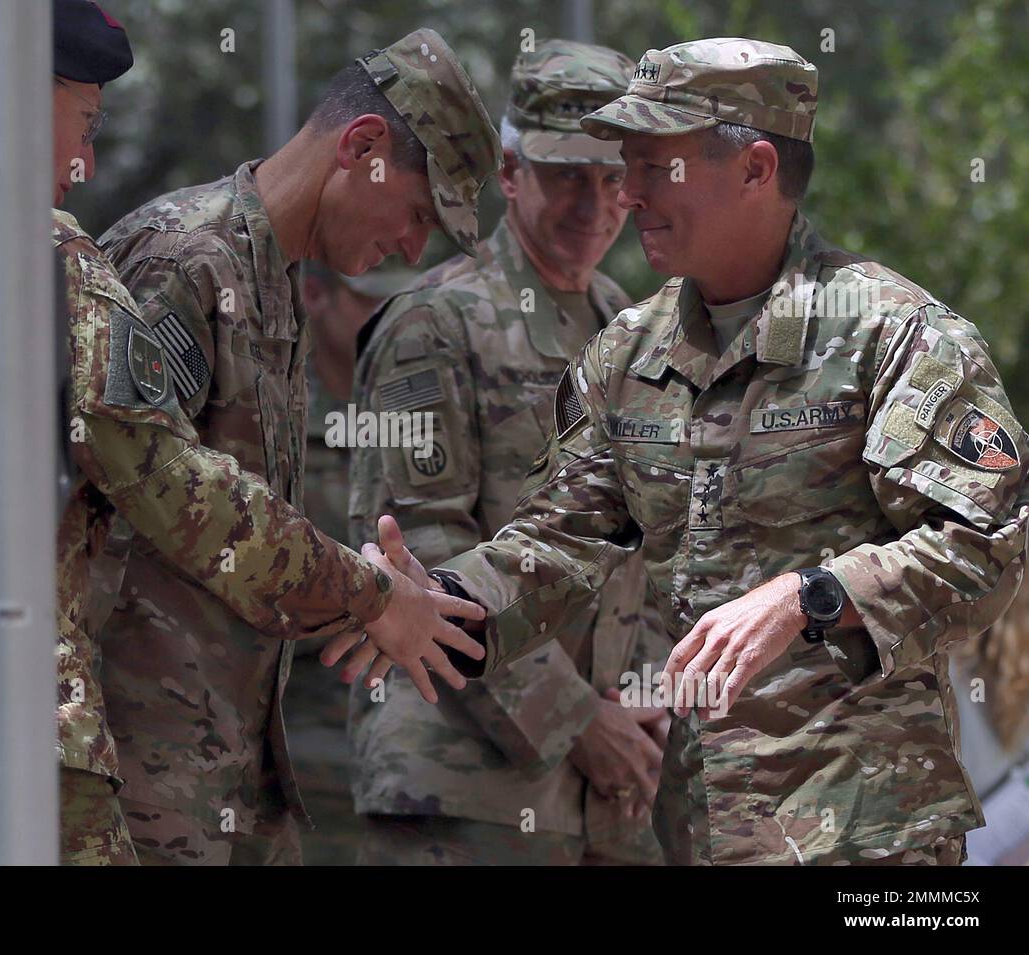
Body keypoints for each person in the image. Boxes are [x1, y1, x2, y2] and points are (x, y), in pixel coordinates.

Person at [0, 2, 484, 866]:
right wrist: (372, 595)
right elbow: (173, 488)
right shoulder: (33, 247)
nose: (85, 162)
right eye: (84, 122)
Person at [362, 37, 1029, 866]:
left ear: (754, 169)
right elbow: (560, 541)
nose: (627, 195)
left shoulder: (895, 336)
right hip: (690, 828)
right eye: (622, 165)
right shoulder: (628, 351)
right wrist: (440, 597)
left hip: (862, 833)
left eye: (652, 167)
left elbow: (985, 546)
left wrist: (813, 594)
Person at [95, 27, 502, 865]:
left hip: (230, 773)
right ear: (362, 147)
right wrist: (371, 598)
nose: (414, 248)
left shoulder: (270, 283)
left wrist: (381, 590)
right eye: (420, 212)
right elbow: (168, 499)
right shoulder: (185, 262)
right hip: (136, 777)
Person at [347, 39, 669, 865]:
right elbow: (416, 553)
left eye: (611, 179)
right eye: (566, 175)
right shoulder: (435, 324)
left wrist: (650, 701)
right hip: (466, 788)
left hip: (613, 794)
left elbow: (656, 543)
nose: (593, 205)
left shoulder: (629, 328)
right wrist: (574, 720)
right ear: (512, 172)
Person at [285, 262, 414, 866]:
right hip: (310, 730)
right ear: (316, 295)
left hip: (424, 730)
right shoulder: (271, 418)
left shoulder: (428, 416)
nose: (392, 323)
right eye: (371, 302)